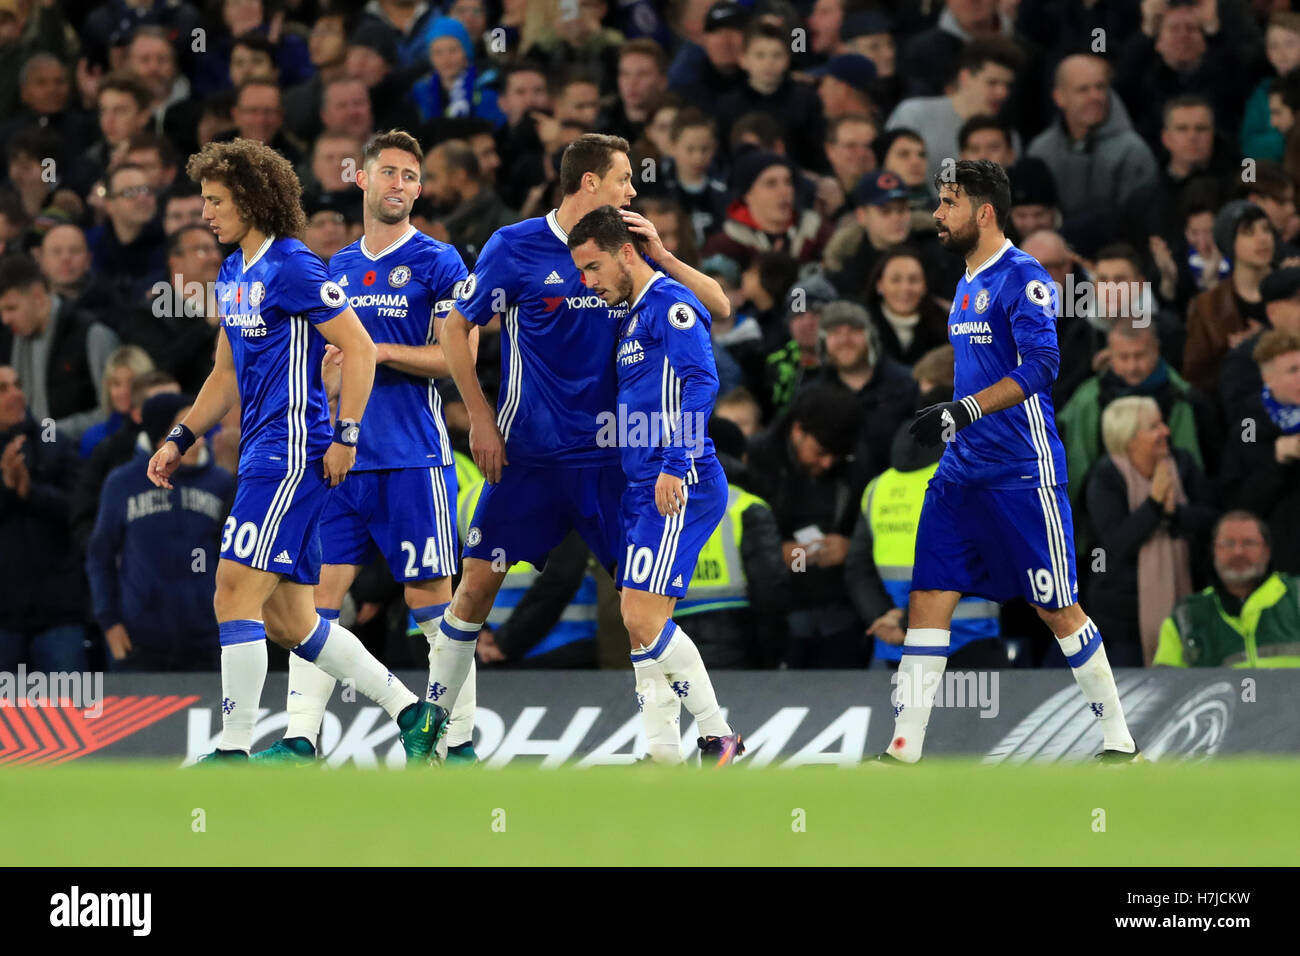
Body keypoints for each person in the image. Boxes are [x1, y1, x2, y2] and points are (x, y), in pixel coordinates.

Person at [147, 138, 446, 763]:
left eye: (215, 202)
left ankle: (232, 751)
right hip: (259, 452)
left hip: (291, 452)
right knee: (292, 622)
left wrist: (347, 434)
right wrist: (181, 436)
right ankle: (411, 713)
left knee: (231, 590)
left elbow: (360, 349)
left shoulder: (295, 266)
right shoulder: (234, 273)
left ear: (252, 201)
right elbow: (224, 377)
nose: (206, 214)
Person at [425, 133, 728, 745]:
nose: (633, 190)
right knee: (475, 585)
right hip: (531, 457)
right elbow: (457, 328)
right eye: (623, 179)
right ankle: (444, 735)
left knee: (642, 607)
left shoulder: (629, 246)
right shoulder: (516, 247)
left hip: (617, 462)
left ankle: (668, 748)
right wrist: (480, 417)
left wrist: (662, 255)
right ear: (589, 183)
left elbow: (715, 305)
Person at [876, 159, 1140, 764]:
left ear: (984, 211)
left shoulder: (1026, 277)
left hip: (1023, 470)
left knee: (1056, 606)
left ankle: (1120, 742)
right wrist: (958, 417)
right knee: (929, 598)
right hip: (961, 472)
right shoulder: (967, 282)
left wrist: (964, 408)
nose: (937, 216)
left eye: (948, 203)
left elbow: (1044, 367)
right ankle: (903, 751)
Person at [567, 204, 743, 764]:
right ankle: (663, 753)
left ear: (625, 253)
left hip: (679, 480)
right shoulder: (635, 313)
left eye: (593, 268)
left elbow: (701, 380)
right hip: (642, 484)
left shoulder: (667, 303)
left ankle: (718, 735)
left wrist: (673, 461)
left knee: (639, 619)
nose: (587, 283)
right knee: (645, 626)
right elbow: (719, 306)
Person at [846, 398, 1003, 671]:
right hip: (966, 642)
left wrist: (886, 617)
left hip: (899, 646)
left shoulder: (877, 488)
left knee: (909, 714)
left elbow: (857, 567)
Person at [86, 392, 234, 671]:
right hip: (138, 641)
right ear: (160, 437)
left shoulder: (222, 483)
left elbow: (235, 561)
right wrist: (109, 622)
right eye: (185, 429)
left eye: (198, 428)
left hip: (207, 640)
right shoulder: (123, 483)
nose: (197, 438)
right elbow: (100, 556)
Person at [1083, 396, 1215, 667]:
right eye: (1154, 426)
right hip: (1124, 617)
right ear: (1129, 437)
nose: (1165, 431)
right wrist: (1154, 505)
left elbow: (1212, 521)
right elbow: (1115, 545)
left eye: (1162, 423)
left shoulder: (1183, 463)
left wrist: (1173, 514)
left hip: (1191, 605)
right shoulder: (1104, 478)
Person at [746, 384, 868, 668]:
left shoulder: (854, 463)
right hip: (779, 616)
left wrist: (852, 548)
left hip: (842, 614)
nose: (827, 463)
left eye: (835, 456)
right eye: (821, 451)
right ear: (798, 431)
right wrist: (778, 555)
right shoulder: (755, 462)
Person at [0, 363, 88, 673]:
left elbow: (79, 510)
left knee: (72, 716)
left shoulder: (57, 443)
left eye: (17, 385)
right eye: (3, 389)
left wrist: (30, 492)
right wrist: (8, 489)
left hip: (59, 613)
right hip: (4, 618)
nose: (16, 394)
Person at [1155, 511, 1300, 668]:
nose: (1238, 552)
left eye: (1249, 543)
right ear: (1214, 551)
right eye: (1228, 543)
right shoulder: (1187, 617)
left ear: (1267, 551)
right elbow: (1166, 685)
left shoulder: (1296, 596)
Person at [1220, 330, 1300, 575]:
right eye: (1293, 371)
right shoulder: (1249, 425)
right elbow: (1242, 505)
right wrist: (1277, 460)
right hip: (1283, 561)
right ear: (1268, 380)